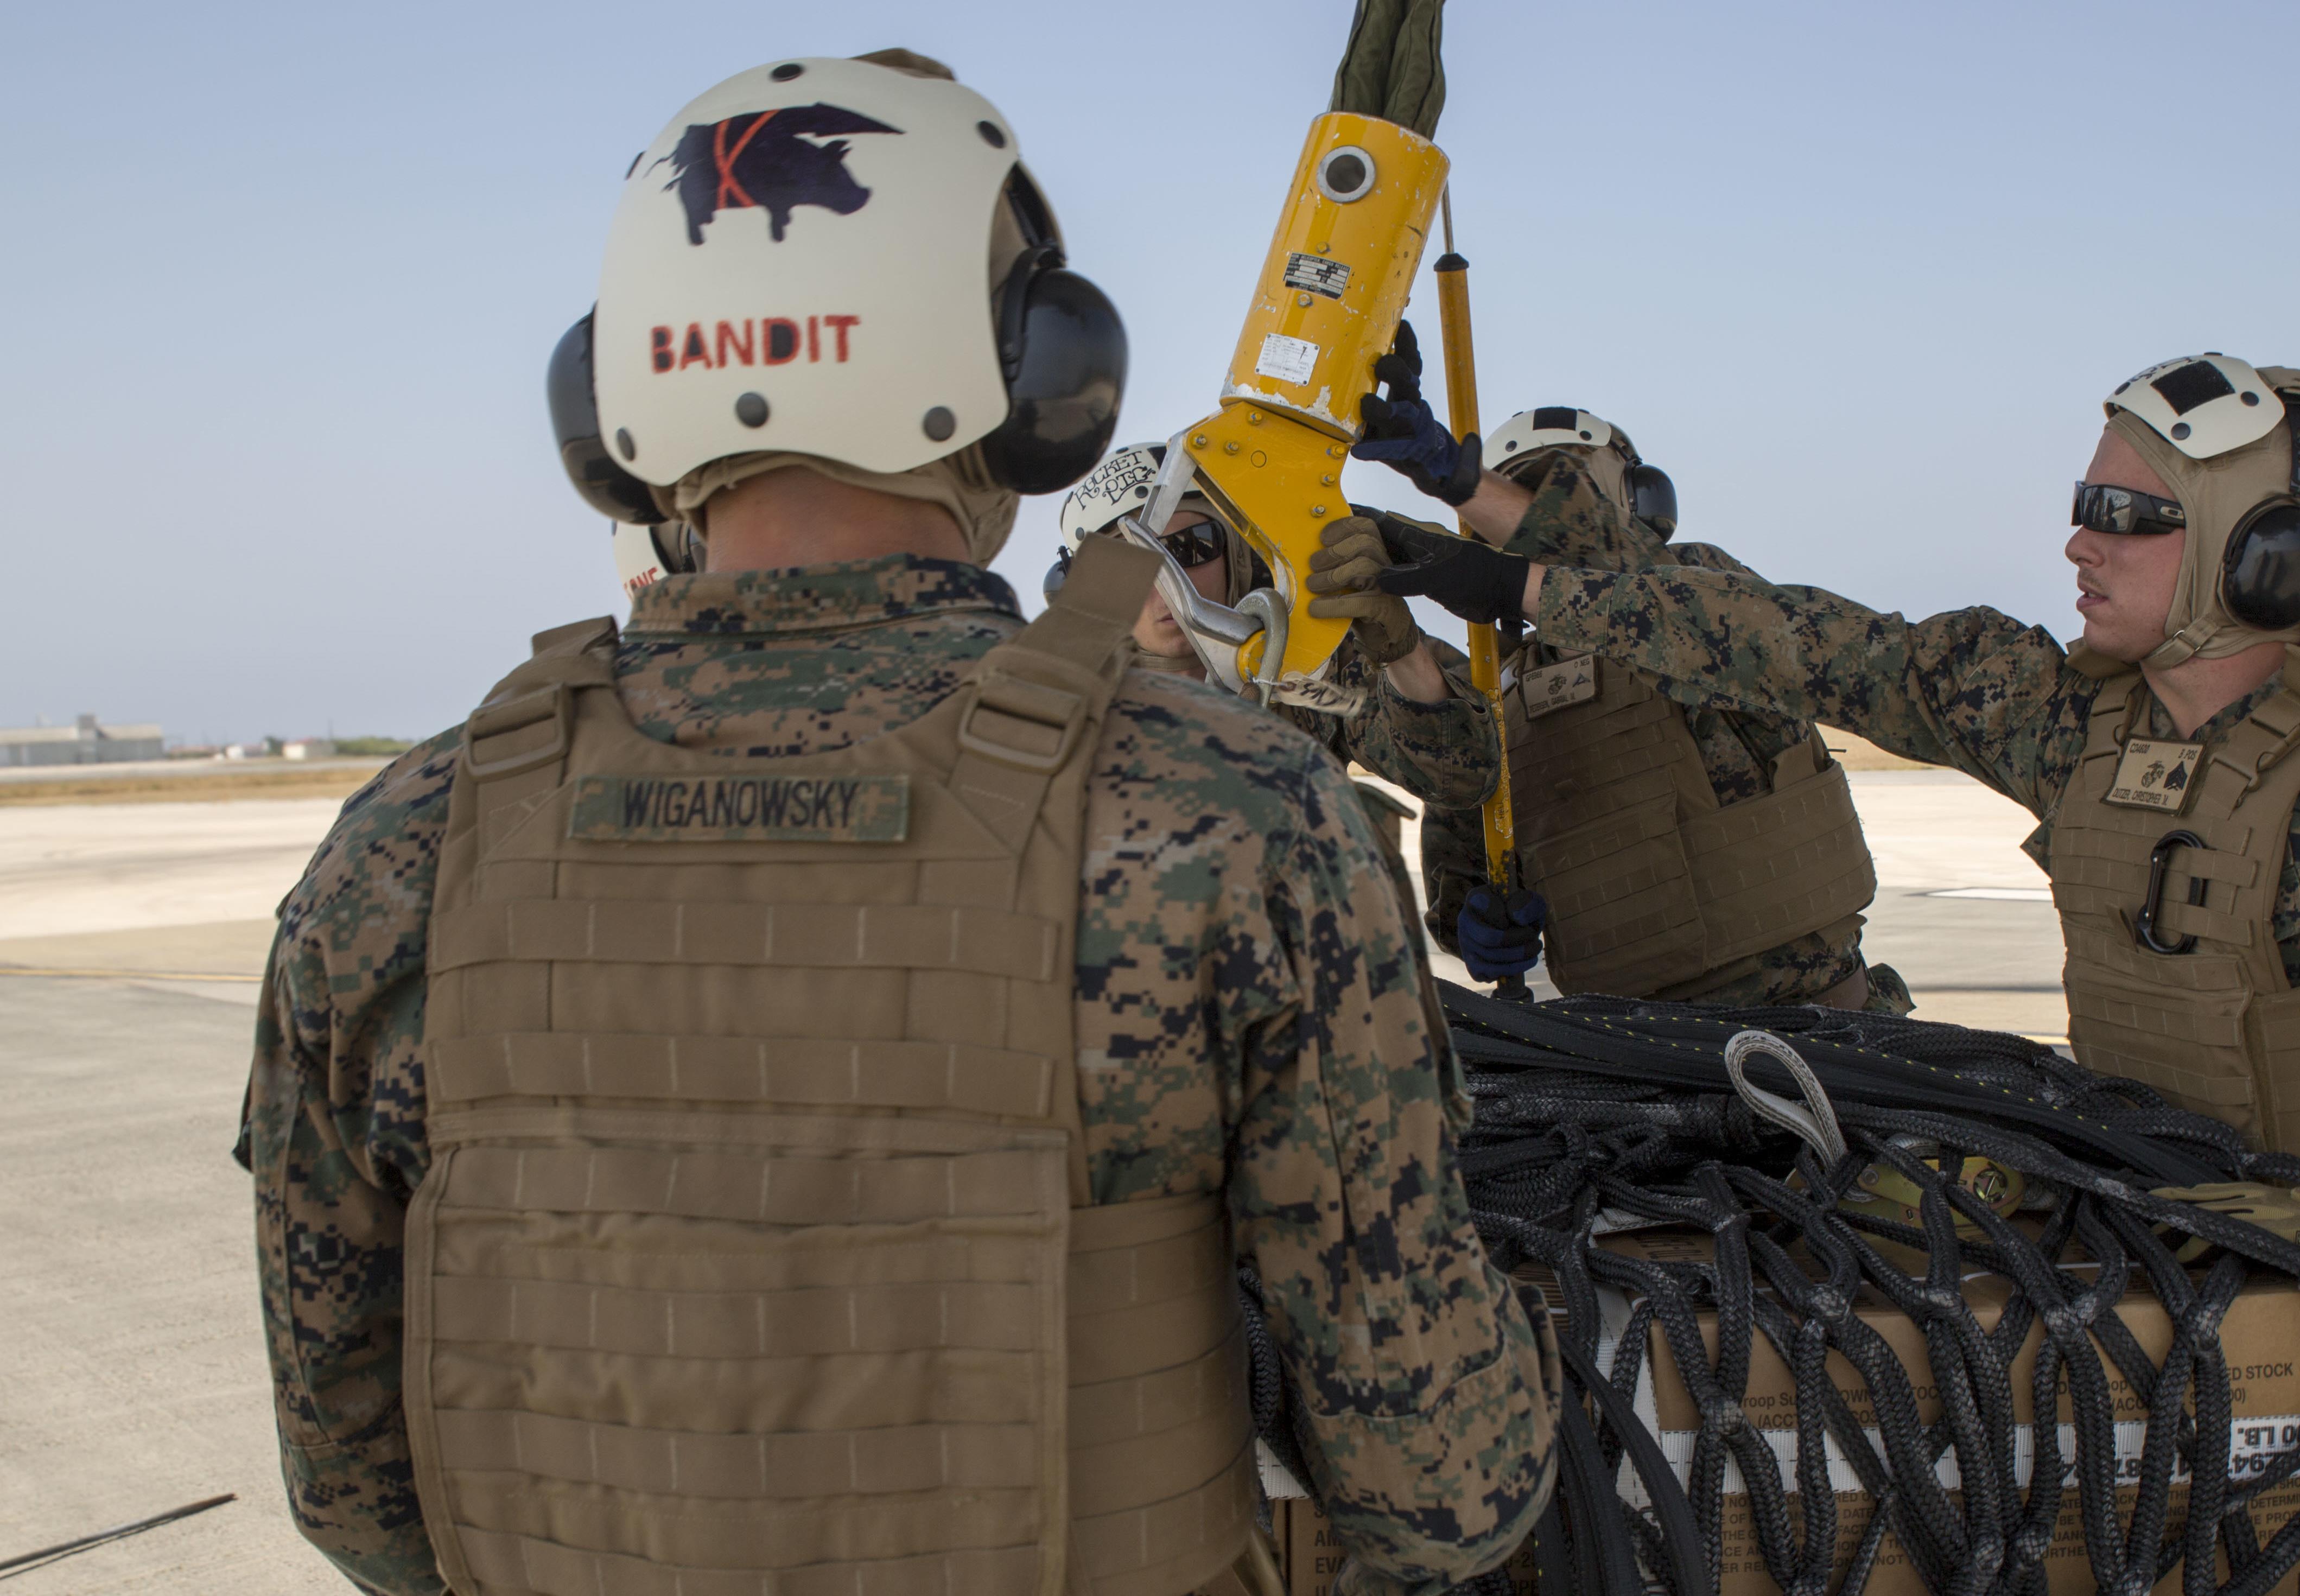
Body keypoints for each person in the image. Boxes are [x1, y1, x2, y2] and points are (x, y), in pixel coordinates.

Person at [234, 51, 1552, 1596]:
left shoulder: (401, 852)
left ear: (614, 401)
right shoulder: (1239, 821)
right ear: (1036, 376)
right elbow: (1442, 1489)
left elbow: (357, 1493)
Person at [1356, 352, 2300, 1595]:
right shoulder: (2068, 722)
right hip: (2178, 1303)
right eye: (2084, 504)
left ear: (2267, 559)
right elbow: (1810, 642)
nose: (2077, 540)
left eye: (2125, 514)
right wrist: (1515, 585)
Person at [1349, 376, 1894, 1009]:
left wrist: (1456, 479)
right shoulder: (1494, 691)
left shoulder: (1705, 593)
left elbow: (1632, 585)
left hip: (1819, 1023)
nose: (1545, 524)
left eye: (1566, 500)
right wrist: (1477, 924)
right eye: (1523, 503)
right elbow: (1462, 866)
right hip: (1637, 1054)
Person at [1045, 443, 1501, 924]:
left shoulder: (1307, 654)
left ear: (1235, 546)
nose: (1169, 586)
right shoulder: (1064, 709)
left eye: (1191, 547)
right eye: (1129, 567)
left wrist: (1403, 652)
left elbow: (1462, 776)